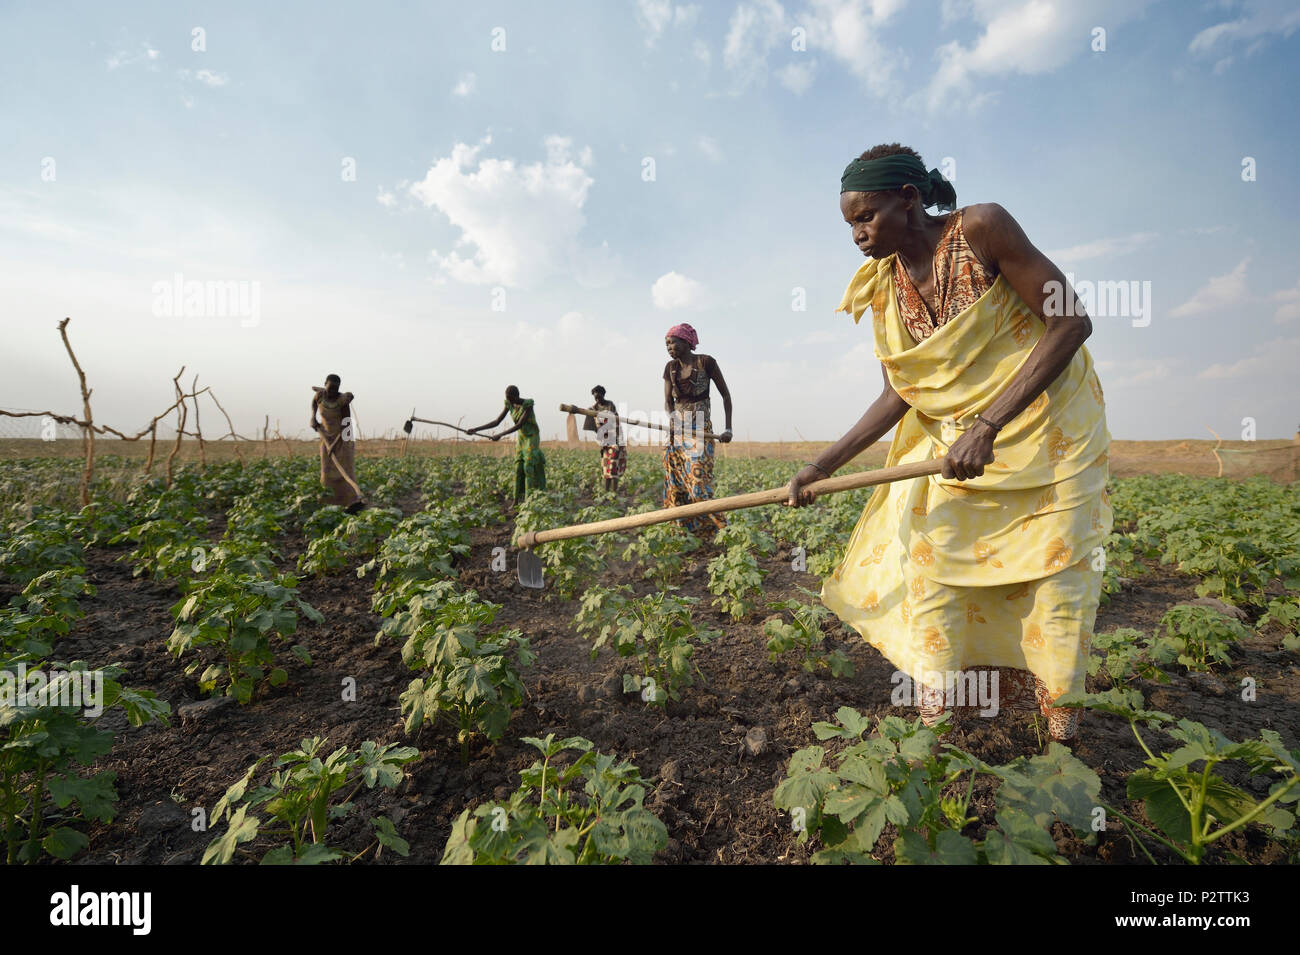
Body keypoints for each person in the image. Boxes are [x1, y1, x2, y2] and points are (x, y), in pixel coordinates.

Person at [786, 144, 1112, 745]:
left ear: (908, 199)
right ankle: (937, 725)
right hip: (956, 449)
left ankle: (1062, 741)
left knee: (1053, 582)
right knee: (935, 567)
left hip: (1050, 436)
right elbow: (898, 395)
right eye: (850, 224)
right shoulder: (884, 286)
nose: (857, 235)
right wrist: (818, 465)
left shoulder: (982, 228)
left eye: (866, 217)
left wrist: (988, 424)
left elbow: (1070, 321)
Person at [663, 323, 733, 533]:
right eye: (666, 343)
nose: (669, 346)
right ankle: (684, 530)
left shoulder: (706, 362)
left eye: (673, 342)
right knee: (675, 483)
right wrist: (674, 420)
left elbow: (726, 396)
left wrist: (728, 428)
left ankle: (721, 529)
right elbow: (668, 402)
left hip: (701, 427)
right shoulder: (670, 368)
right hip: (677, 430)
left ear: (685, 341)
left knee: (698, 481)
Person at [468, 386, 547, 502]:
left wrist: (500, 435)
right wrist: (475, 429)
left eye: (510, 398)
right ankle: (516, 501)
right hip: (521, 438)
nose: (509, 401)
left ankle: (529, 501)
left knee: (527, 467)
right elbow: (497, 421)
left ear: (516, 396)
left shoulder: (528, 405)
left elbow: (519, 424)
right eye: (507, 399)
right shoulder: (509, 404)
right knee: (518, 468)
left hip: (531, 437)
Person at [310, 374, 364, 511]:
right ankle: (328, 504)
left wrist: (334, 445)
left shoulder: (342, 402)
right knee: (327, 472)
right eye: (330, 388)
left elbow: (346, 424)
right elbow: (314, 405)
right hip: (326, 436)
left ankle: (350, 503)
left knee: (345, 470)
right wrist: (313, 419)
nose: (332, 391)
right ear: (325, 384)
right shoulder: (320, 396)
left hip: (343, 438)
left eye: (336, 389)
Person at [587, 385, 626, 494]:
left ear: (603, 395)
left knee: (613, 465)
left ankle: (613, 493)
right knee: (605, 467)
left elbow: (615, 423)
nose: (597, 399)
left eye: (599, 396)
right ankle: (606, 493)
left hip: (614, 440)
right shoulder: (593, 408)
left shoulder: (610, 405)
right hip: (604, 443)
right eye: (595, 397)